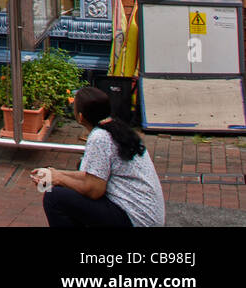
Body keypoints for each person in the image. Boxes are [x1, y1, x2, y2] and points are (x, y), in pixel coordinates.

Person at [30, 86, 165, 227]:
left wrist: (58, 179)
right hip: (146, 217)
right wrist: (56, 174)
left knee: (54, 197)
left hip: (135, 220)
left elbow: (94, 190)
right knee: (67, 185)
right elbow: (94, 176)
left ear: (80, 117)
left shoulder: (100, 137)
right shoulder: (118, 128)